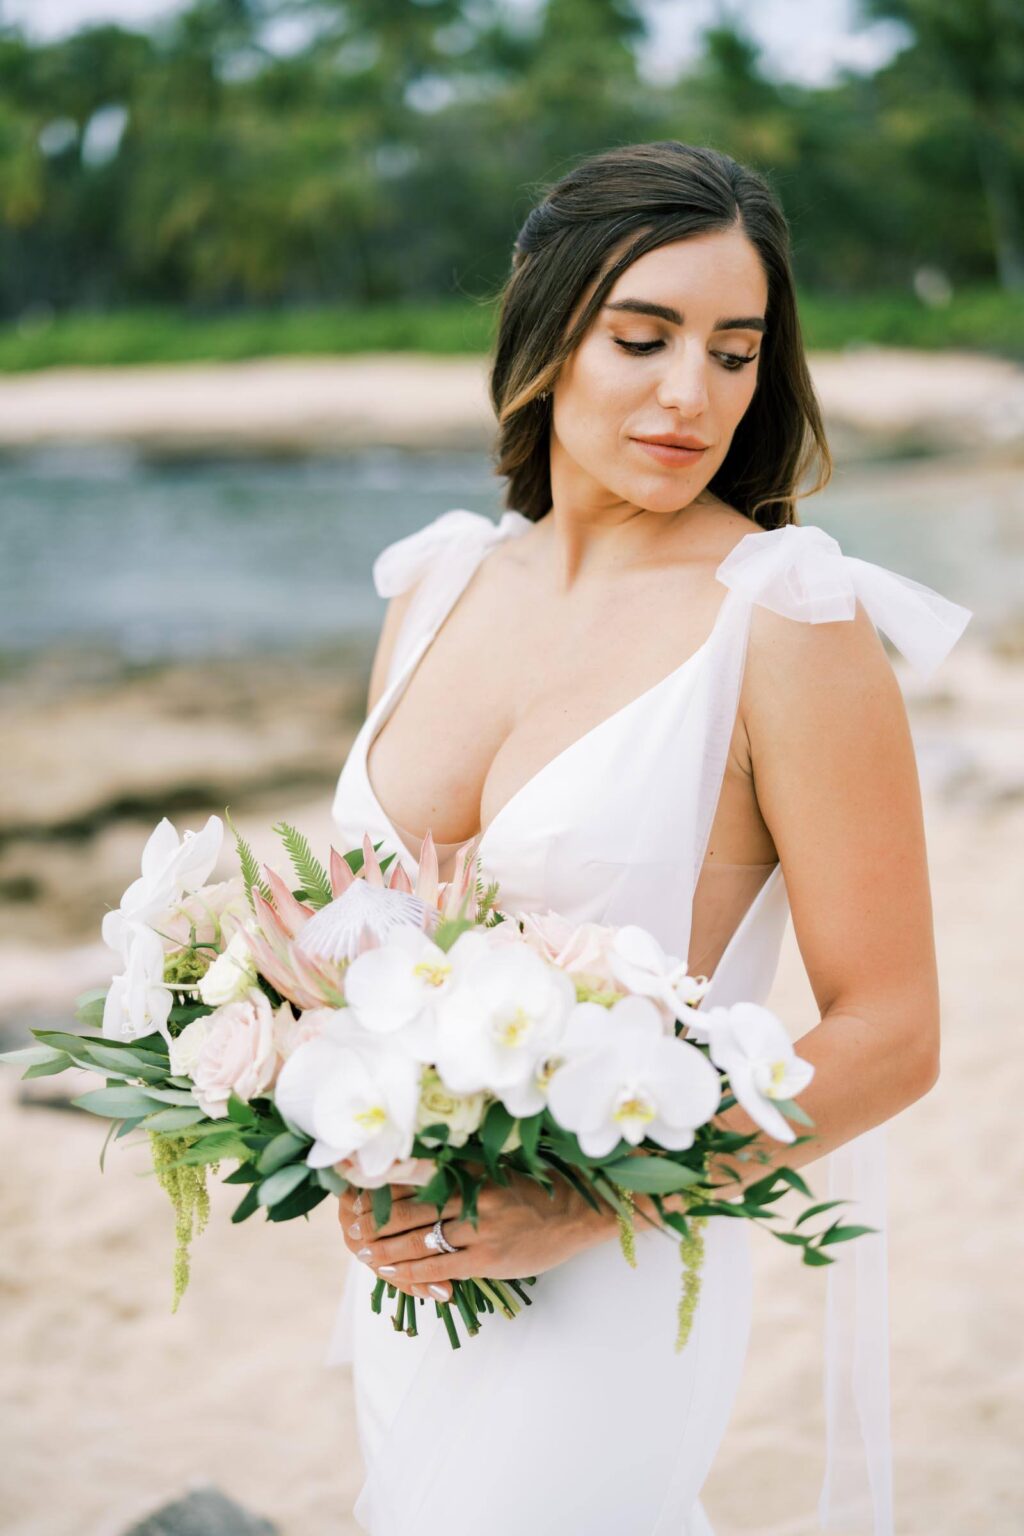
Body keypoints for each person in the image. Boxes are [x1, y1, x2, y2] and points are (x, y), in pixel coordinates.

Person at [325, 141, 972, 1535]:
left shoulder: (786, 620)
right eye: (644, 338)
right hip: (408, 1269)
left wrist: (590, 1203)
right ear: (547, 330)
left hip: (615, 1276)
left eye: (736, 353)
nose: (694, 395)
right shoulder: (438, 585)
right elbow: (370, 943)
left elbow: (895, 1030)